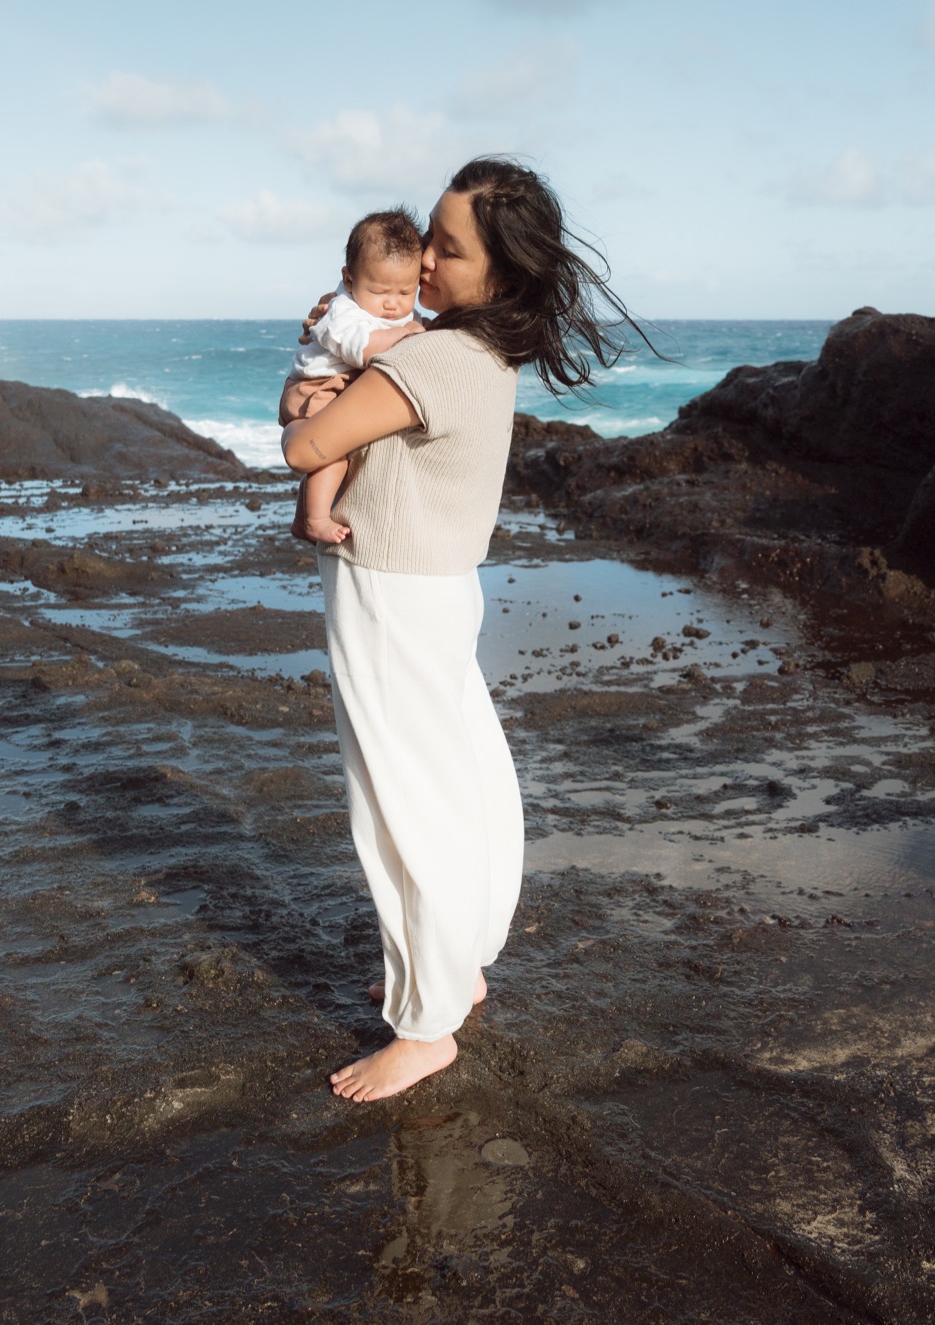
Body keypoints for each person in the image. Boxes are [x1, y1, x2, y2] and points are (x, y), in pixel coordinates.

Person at [281, 156, 653, 1102]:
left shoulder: (433, 356)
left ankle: (426, 1025)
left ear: (502, 271)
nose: (428, 266)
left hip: (390, 596)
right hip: (438, 591)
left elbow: (301, 446)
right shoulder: (481, 353)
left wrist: (311, 384)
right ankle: (454, 971)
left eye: (449, 249)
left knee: (402, 809)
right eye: (432, 242)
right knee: (460, 779)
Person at [283, 208, 427, 545]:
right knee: (334, 452)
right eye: (380, 292)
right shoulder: (341, 311)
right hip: (317, 386)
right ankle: (315, 520)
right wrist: (405, 334)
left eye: (406, 293)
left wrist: (414, 328)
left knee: (333, 454)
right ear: (349, 280)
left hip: (337, 385)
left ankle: (302, 516)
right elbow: (361, 349)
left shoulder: (393, 312)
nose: (393, 304)